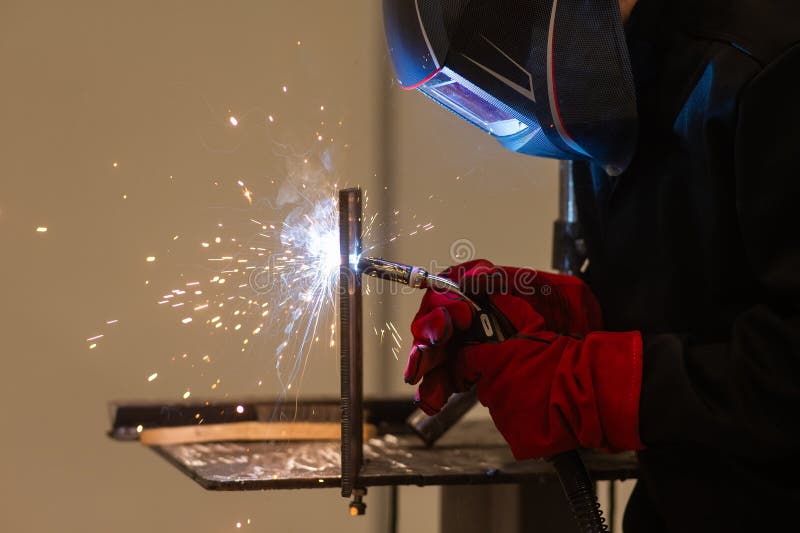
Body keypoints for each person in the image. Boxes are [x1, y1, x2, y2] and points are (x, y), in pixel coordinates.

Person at [385, 0, 800, 530]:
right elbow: (694, 305)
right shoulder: (608, 79)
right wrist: (564, 317)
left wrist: (605, 385)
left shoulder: (773, 64)